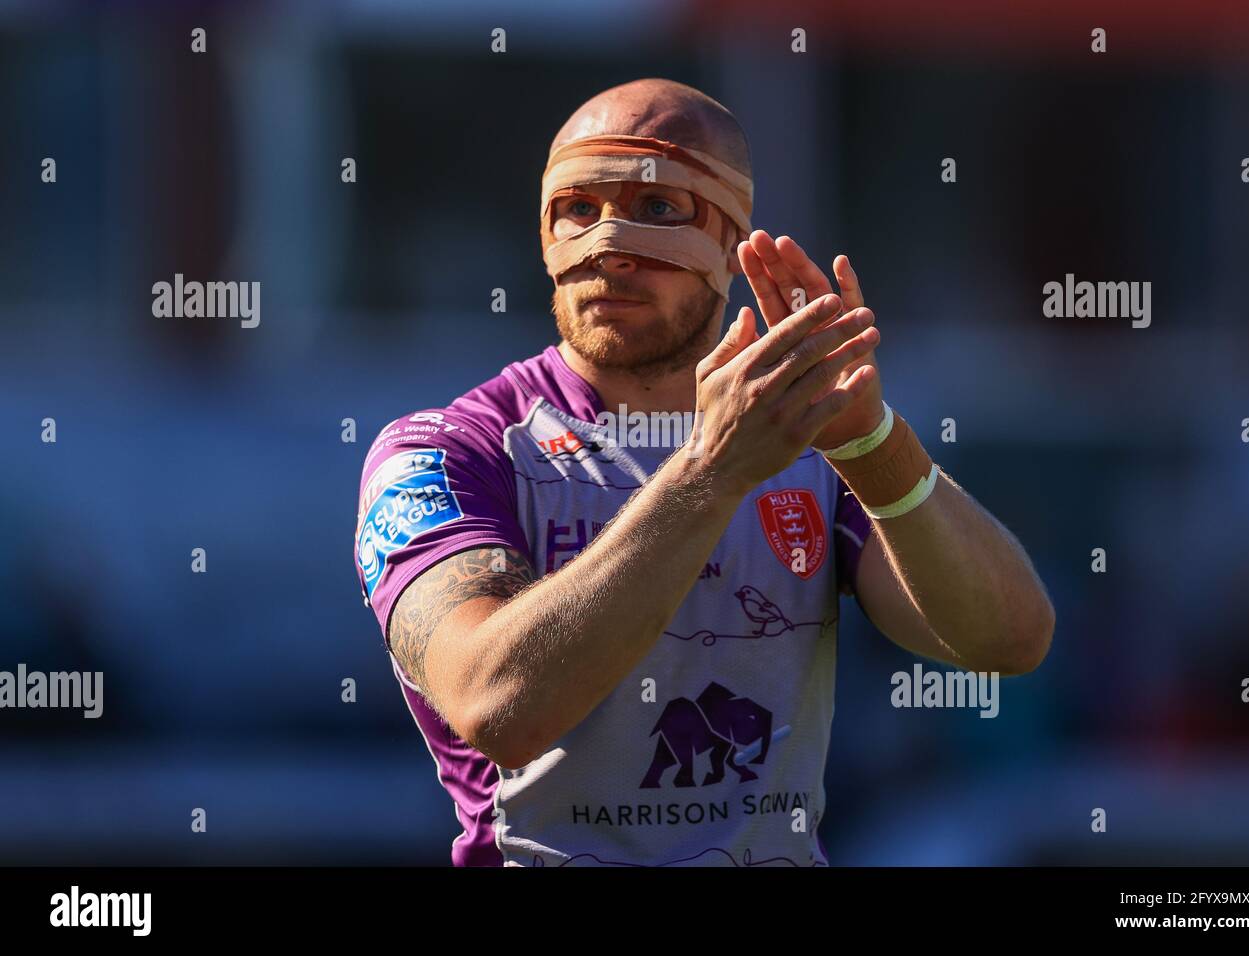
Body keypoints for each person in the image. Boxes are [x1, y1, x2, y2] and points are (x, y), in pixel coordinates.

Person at [353, 78, 1054, 867]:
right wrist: (709, 472)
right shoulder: (447, 452)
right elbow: (500, 704)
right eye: (578, 208)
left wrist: (873, 441)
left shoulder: (805, 443)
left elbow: (1010, 639)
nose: (610, 245)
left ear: (731, 243)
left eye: (657, 209)